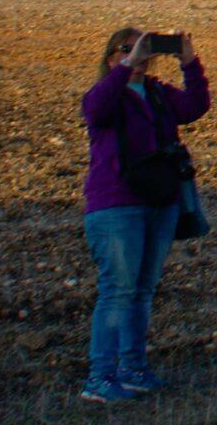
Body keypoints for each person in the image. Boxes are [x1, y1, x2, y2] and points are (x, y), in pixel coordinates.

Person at [77, 27, 209, 402]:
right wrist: (127, 68)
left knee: (142, 291)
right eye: (127, 49)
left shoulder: (156, 93)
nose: (138, 56)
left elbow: (195, 107)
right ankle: (100, 377)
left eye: (144, 50)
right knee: (117, 291)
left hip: (160, 200)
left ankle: (132, 369)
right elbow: (95, 110)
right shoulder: (107, 95)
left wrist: (189, 61)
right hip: (116, 204)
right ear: (111, 58)